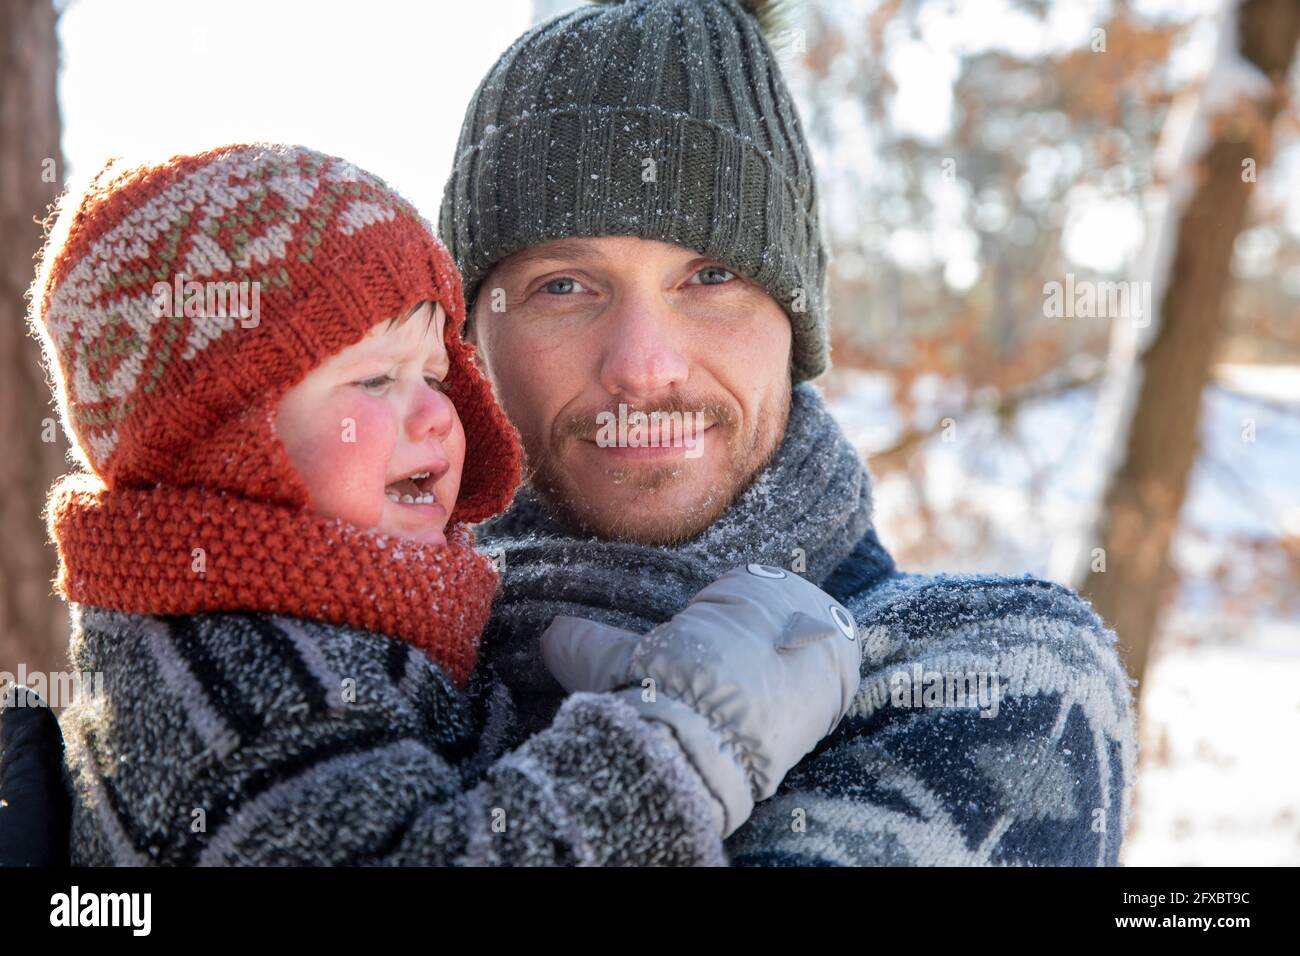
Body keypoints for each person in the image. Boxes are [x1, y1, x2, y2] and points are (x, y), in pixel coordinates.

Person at [13, 141, 860, 865]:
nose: (436, 414)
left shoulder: (342, 615)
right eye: (376, 380)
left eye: (434, 373)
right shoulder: (229, 680)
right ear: (223, 440)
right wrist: (685, 736)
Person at [439, 0, 1139, 865]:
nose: (644, 366)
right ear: (471, 339)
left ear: (794, 323)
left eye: (711, 274)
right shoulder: (361, 659)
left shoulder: (994, 674)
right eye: (563, 286)